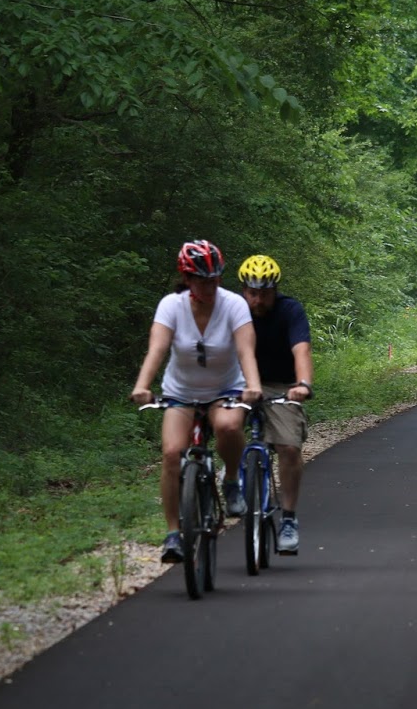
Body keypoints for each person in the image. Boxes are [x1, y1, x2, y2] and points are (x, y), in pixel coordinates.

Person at [131, 240, 262, 563]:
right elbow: (157, 348)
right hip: (181, 391)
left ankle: (231, 480)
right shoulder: (171, 306)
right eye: (203, 280)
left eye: (215, 279)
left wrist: (253, 385)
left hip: (225, 388)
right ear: (187, 279)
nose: (210, 286)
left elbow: (245, 350)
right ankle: (173, 534)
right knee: (171, 453)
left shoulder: (233, 305)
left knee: (228, 426)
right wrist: (143, 385)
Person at [236, 254, 313, 554]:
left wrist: (303, 384)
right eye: (252, 293)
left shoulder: (290, 310)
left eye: (264, 293)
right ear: (244, 290)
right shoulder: (234, 310)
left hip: (282, 385)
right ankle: (230, 476)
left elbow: (301, 350)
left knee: (289, 447)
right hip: (239, 382)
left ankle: (289, 518)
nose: (257, 300)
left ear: (275, 290)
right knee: (223, 424)